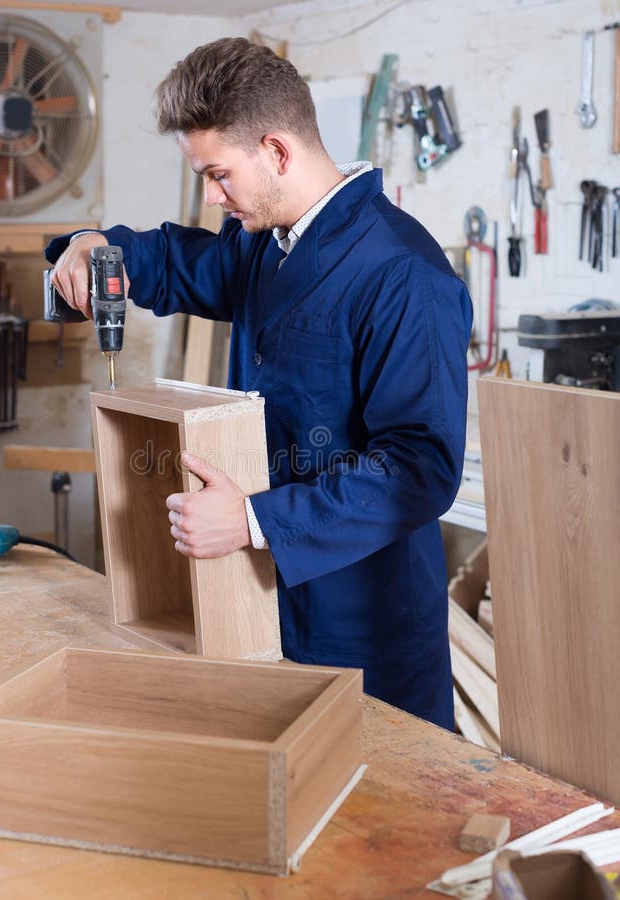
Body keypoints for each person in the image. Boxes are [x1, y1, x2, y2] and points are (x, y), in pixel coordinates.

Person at [46, 37, 473, 730]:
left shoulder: (404, 275)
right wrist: (98, 245)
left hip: (365, 633)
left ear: (276, 151)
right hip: (261, 602)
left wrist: (251, 520)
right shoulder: (264, 243)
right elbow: (183, 263)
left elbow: (421, 470)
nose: (212, 197)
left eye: (218, 176)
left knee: (383, 826)